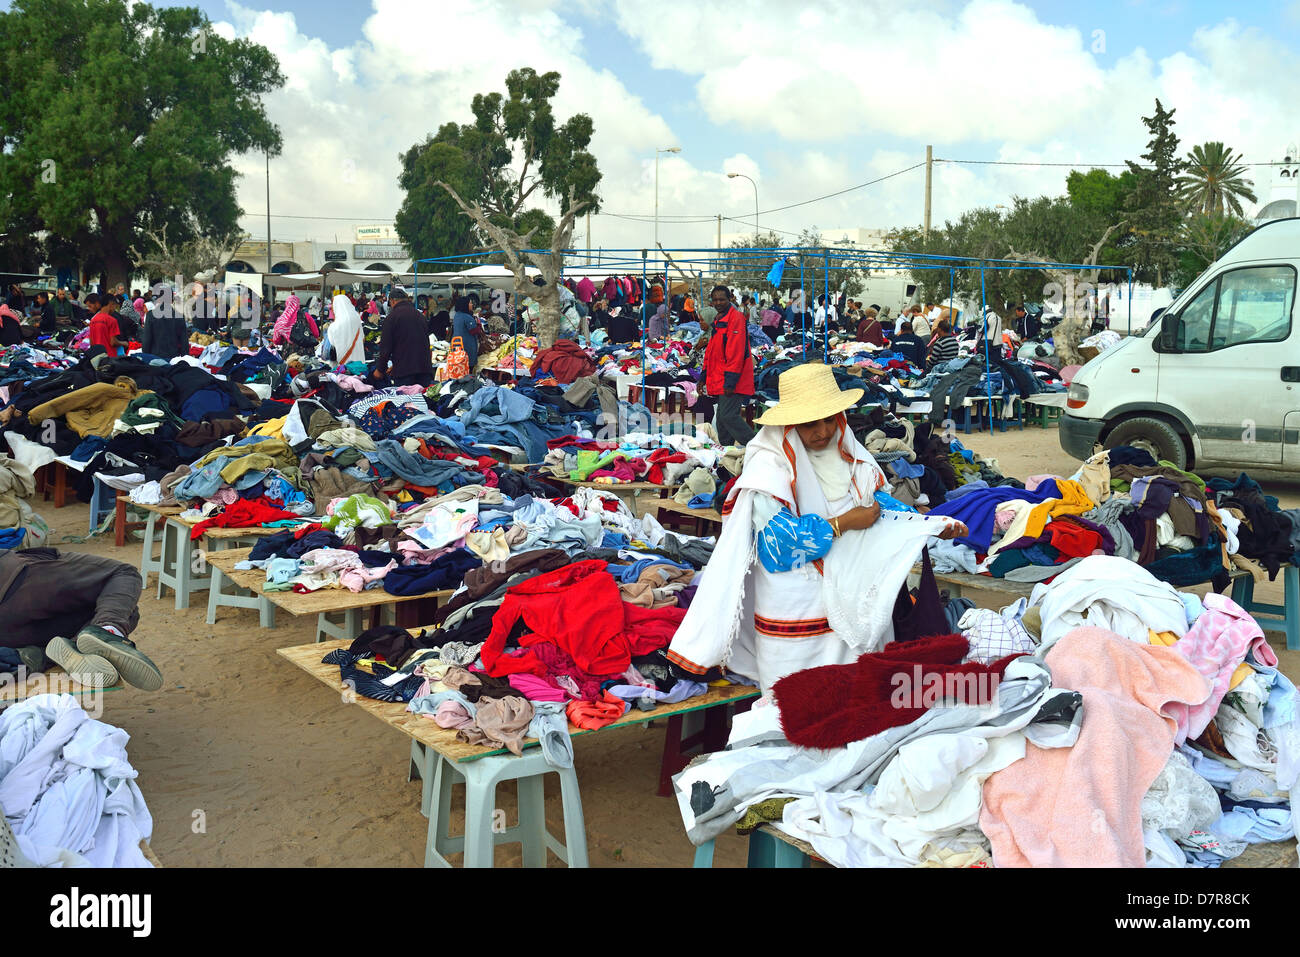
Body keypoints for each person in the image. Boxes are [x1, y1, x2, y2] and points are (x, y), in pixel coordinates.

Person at [667, 362, 967, 690]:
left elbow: (878, 507)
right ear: (790, 423)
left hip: (854, 604)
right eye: (810, 423)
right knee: (798, 707)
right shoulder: (767, 468)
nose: (823, 431)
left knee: (859, 703)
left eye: (829, 419)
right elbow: (777, 550)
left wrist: (928, 524)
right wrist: (843, 523)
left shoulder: (851, 456)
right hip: (796, 620)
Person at [0, 547, 164, 690]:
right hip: (19, 582)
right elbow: (123, 572)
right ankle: (107, 631)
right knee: (122, 578)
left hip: (12, 633)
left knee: (114, 606)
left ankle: (40, 655)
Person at [703, 284, 756, 448]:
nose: (718, 302)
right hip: (721, 378)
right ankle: (725, 453)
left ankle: (759, 446)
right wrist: (702, 377)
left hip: (732, 379)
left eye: (722, 299)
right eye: (715, 300)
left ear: (730, 299)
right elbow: (711, 352)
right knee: (721, 420)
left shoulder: (736, 319)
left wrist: (730, 382)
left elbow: (736, 352)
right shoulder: (718, 320)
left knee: (728, 416)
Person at [376, 286, 434, 386]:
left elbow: (385, 347)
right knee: (423, 400)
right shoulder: (420, 316)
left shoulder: (392, 317)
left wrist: (380, 369)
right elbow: (423, 343)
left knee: (406, 400)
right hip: (424, 368)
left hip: (405, 372)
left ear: (393, 301)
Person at [327, 293, 365, 365]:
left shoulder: (333, 327)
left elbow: (330, 348)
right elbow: (363, 339)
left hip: (343, 368)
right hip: (359, 365)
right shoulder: (356, 318)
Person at [450, 295, 484, 368]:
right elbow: (473, 331)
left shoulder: (457, 315)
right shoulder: (467, 317)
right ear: (465, 304)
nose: (472, 305)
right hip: (466, 346)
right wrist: (478, 324)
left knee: (459, 367)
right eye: (470, 303)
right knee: (467, 367)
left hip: (457, 345)